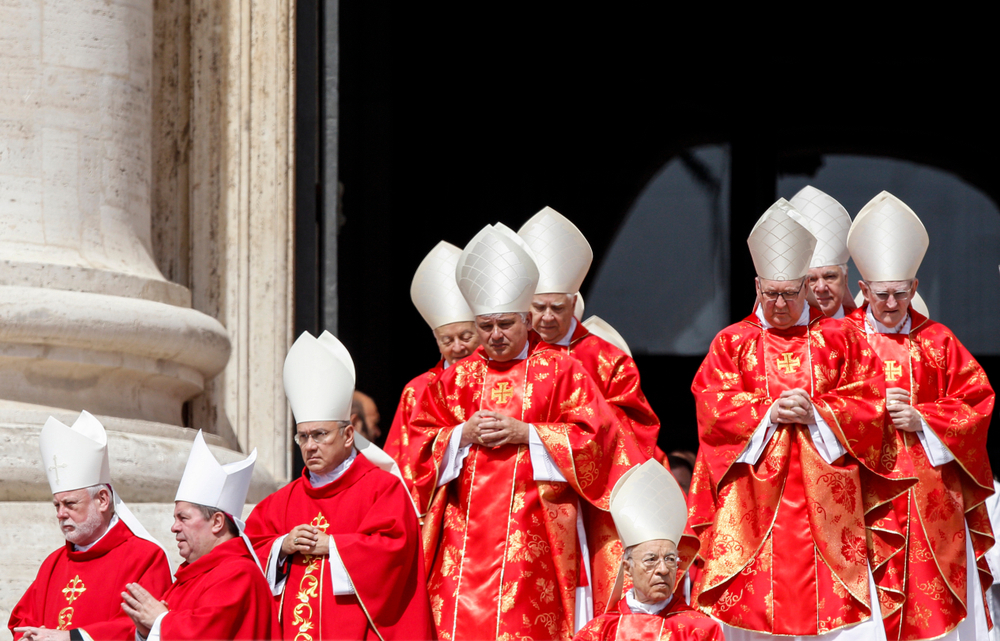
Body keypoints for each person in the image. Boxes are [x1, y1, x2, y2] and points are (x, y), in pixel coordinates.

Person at [410, 224, 641, 641]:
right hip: (463, 540)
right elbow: (414, 451)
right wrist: (459, 435)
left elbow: (599, 439)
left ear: (525, 319)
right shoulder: (454, 380)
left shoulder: (563, 371)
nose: (494, 335)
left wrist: (529, 433)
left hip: (535, 530)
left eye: (504, 324)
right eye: (485, 326)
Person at [688, 199, 899, 640]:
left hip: (830, 506)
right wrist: (768, 412)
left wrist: (818, 413)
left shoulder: (841, 338)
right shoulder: (733, 343)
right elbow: (711, 408)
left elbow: (871, 403)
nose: (779, 304)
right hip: (753, 506)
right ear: (757, 286)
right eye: (770, 294)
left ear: (807, 285)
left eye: (789, 292)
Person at [844, 191, 995, 640]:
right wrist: (870, 411)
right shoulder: (839, 340)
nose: (891, 304)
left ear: (913, 288)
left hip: (930, 504)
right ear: (864, 289)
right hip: (859, 496)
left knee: (927, 613)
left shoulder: (939, 341)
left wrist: (923, 419)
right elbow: (821, 402)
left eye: (899, 294)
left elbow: (978, 402)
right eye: (881, 294)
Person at [244, 330, 435, 641]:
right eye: (303, 437)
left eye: (320, 435)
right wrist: (282, 546)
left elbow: (395, 553)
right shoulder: (279, 503)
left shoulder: (382, 490)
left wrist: (331, 546)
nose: (310, 446)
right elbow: (246, 554)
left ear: (348, 436)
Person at [516, 207, 661, 611]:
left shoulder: (605, 357)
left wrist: (563, 436)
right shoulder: (513, 358)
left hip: (592, 505)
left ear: (573, 302)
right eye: (537, 307)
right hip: (525, 503)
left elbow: (636, 432)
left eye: (556, 308)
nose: (545, 318)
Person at [10, 412, 172, 641]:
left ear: (103, 500)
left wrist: (73, 638)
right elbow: (22, 620)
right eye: (57, 504)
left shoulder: (146, 557)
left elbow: (147, 626)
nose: (60, 513)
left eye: (70, 504)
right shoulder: (53, 564)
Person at [121, 430, 278, 641]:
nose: (174, 528)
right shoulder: (188, 577)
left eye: (183, 518)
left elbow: (207, 634)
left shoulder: (238, 573)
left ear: (217, 522)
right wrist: (144, 631)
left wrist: (159, 621)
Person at [573, 460, 723, 641]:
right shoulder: (599, 632)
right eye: (651, 560)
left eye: (670, 559)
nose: (663, 569)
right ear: (628, 568)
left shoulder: (700, 631)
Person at [383, 240, 479, 514]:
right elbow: (402, 460)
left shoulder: (501, 380)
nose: (458, 347)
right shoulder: (418, 390)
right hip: (437, 509)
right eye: (447, 339)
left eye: (466, 336)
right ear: (436, 341)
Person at [788, 185, 858, 319]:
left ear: (845, 278)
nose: (821, 288)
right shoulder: (780, 338)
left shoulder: (866, 335)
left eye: (830, 277)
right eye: (811, 279)